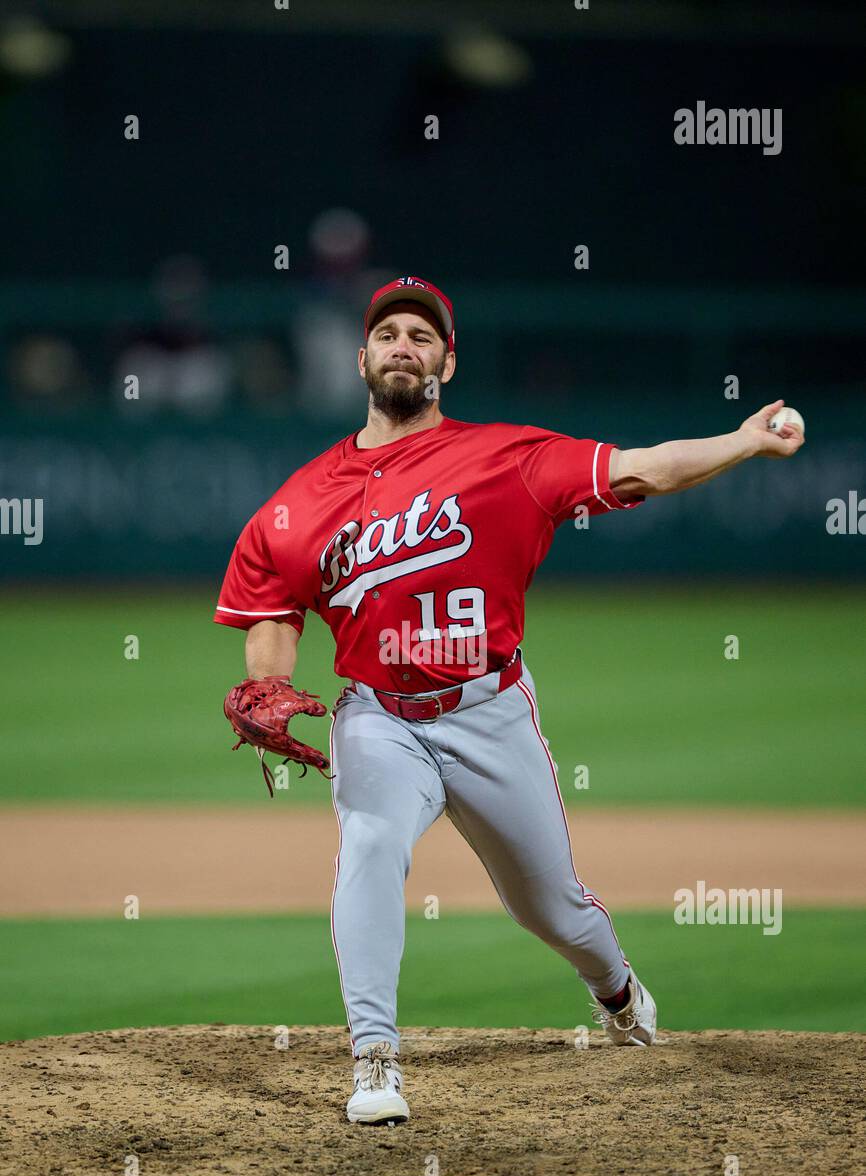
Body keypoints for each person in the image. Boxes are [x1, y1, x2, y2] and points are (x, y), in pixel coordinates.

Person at [214, 275, 805, 1124]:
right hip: (378, 716)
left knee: (552, 908)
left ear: (447, 361)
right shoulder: (299, 500)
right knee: (372, 845)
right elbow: (271, 606)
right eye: (388, 335)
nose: (403, 346)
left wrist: (742, 441)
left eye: (421, 335)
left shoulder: (508, 457)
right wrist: (267, 678)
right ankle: (374, 1059)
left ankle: (617, 989)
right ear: (361, 359)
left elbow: (645, 468)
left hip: (490, 712)